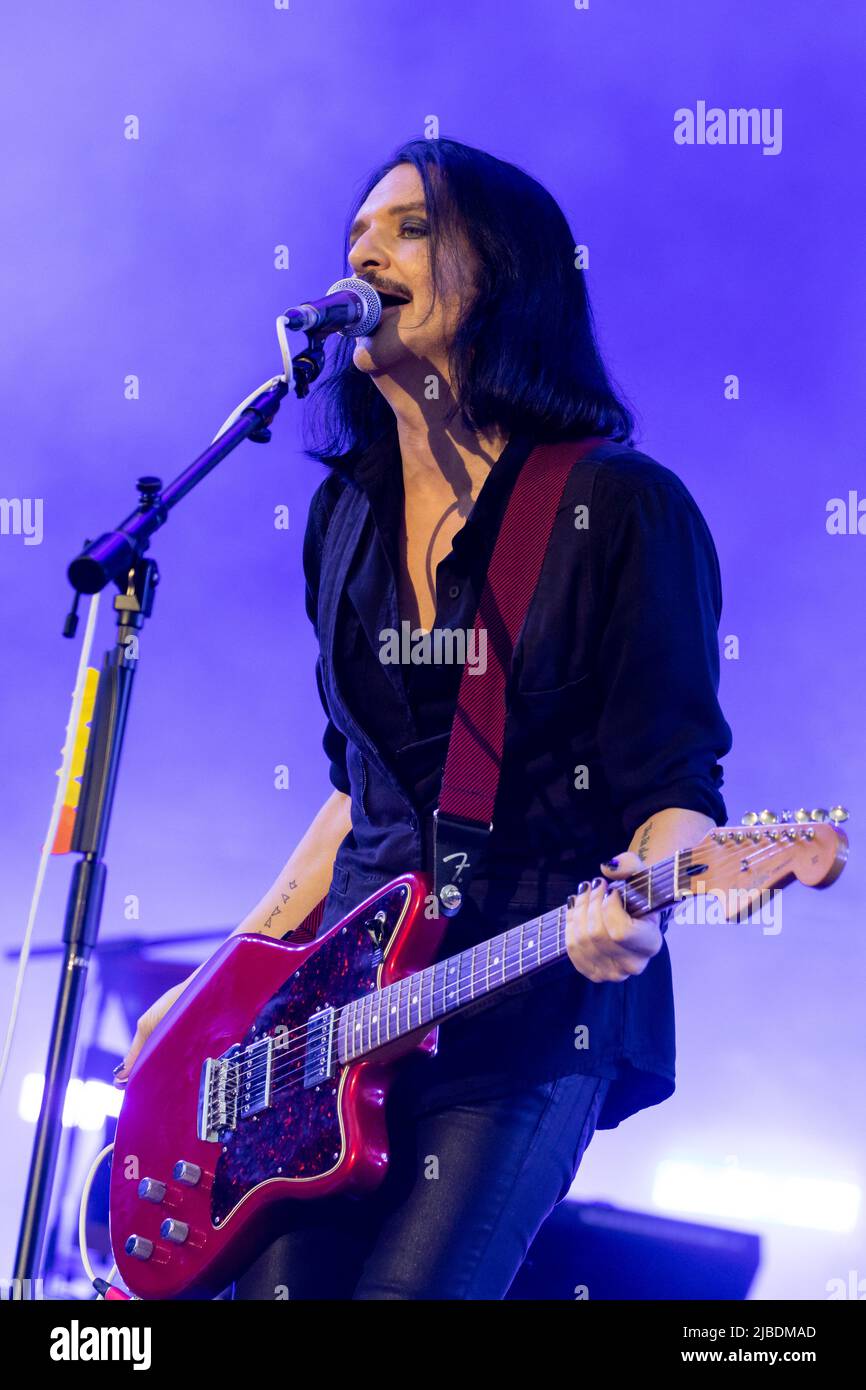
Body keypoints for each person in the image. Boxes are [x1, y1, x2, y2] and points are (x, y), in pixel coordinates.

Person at [116, 137, 732, 1300]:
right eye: (356, 232)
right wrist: (208, 993)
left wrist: (637, 904)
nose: (365, 249)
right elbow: (355, 793)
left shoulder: (619, 506)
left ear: (503, 274)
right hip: (328, 1021)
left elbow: (675, 787)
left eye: (407, 227)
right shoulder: (341, 513)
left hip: (524, 1003)